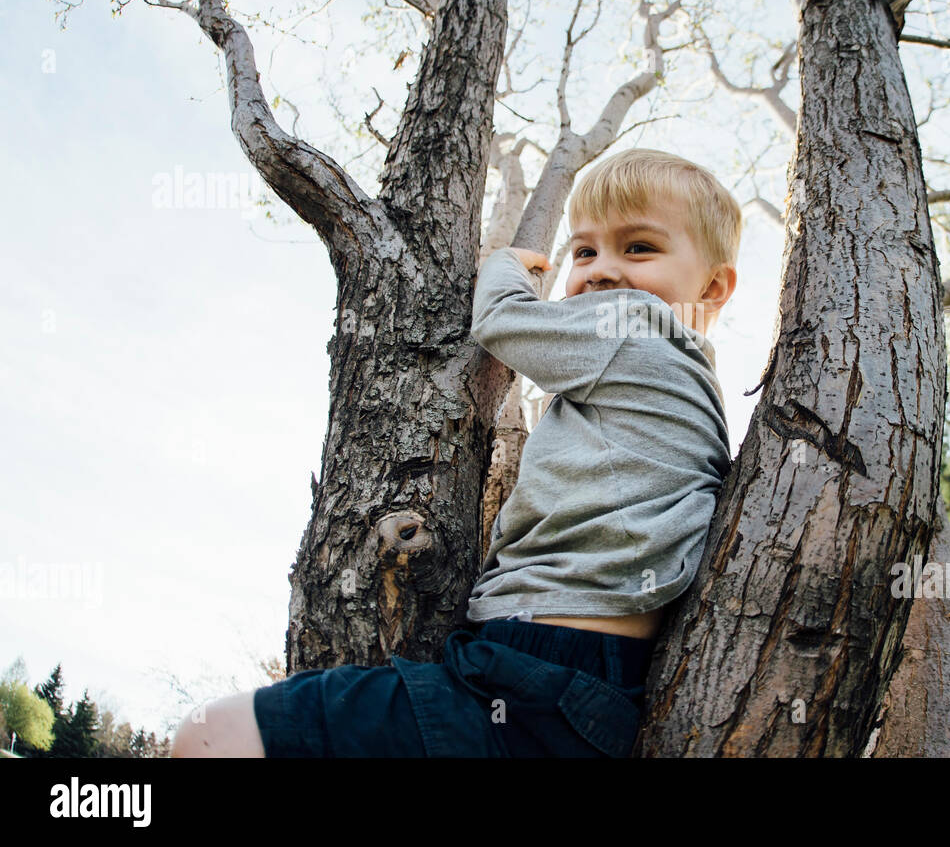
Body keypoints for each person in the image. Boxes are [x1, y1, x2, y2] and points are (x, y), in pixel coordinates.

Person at [170, 147, 741, 757]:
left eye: (638, 248)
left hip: (537, 668)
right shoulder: (693, 390)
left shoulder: (637, 326)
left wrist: (502, 266)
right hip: (595, 687)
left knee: (210, 735)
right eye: (583, 251)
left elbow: (501, 319)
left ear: (711, 287)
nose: (600, 272)